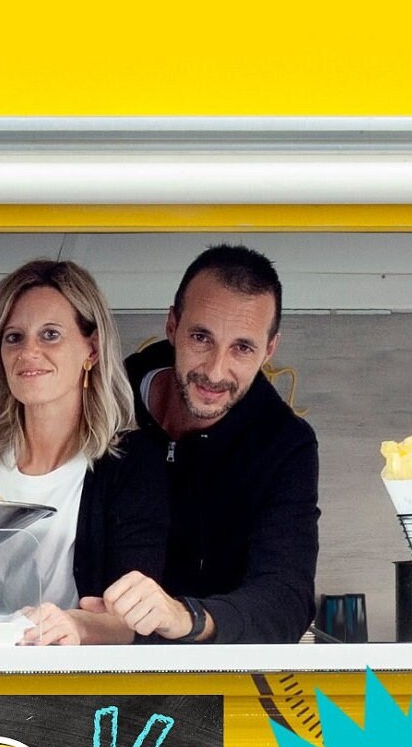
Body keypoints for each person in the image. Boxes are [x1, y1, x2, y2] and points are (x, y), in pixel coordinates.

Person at [0, 260, 168, 646]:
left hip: (73, 685)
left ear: (92, 349)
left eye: (50, 334)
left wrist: (75, 625)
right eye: (14, 337)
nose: (29, 351)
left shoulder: (133, 462)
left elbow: (131, 621)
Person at [103, 243, 319, 644]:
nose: (216, 371)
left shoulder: (285, 444)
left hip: (216, 681)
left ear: (269, 349)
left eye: (242, 347)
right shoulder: (101, 401)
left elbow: (287, 597)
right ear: (172, 325)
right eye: (201, 337)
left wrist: (188, 618)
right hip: (81, 666)